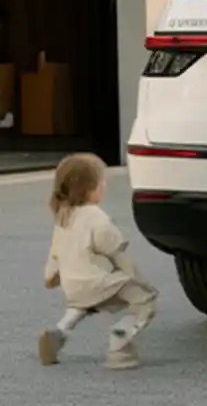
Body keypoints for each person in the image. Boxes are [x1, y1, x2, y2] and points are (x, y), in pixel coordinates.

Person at [39, 153, 158, 370]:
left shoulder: (63, 216)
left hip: (73, 287)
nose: (105, 186)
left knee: (83, 305)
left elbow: (55, 253)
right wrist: (138, 280)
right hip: (98, 283)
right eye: (101, 182)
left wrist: (50, 276)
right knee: (145, 300)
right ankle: (120, 342)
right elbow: (117, 254)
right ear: (89, 188)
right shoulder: (96, 217)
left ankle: (60, 332)